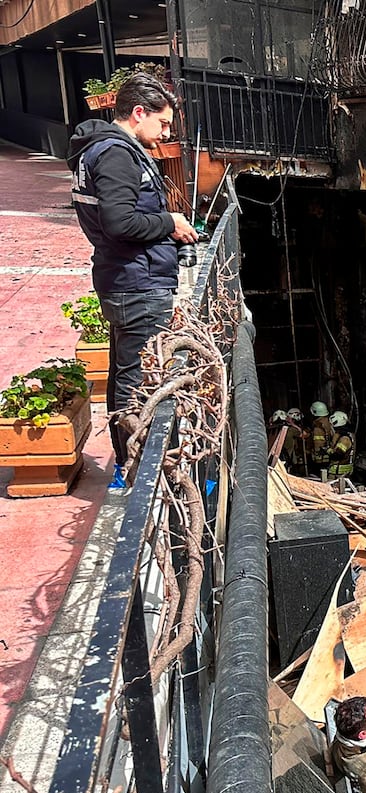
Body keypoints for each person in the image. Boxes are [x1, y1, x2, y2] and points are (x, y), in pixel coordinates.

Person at [67, 73, 198, 489]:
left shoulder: (103, 150)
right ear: (138, 113)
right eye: (161, 124)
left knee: (127, 373)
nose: (164, 135)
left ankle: (133, 465)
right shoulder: (116, 155)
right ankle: (140, 470)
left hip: (126, 278)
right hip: (136, 283)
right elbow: (120, 222)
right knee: (140, 380)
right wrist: (170, 222)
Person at [308, 400, 334, 478]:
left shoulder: (317, 427)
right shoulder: (329, 422)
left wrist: (316, 459)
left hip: (321, 458)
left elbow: (318, 444)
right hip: (330, 454)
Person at [327, 411, 355, 480]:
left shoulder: (344, 439)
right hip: (343, 473)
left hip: (338, 474)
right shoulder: (350, 435)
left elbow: (338, 455)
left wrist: (328, 451)